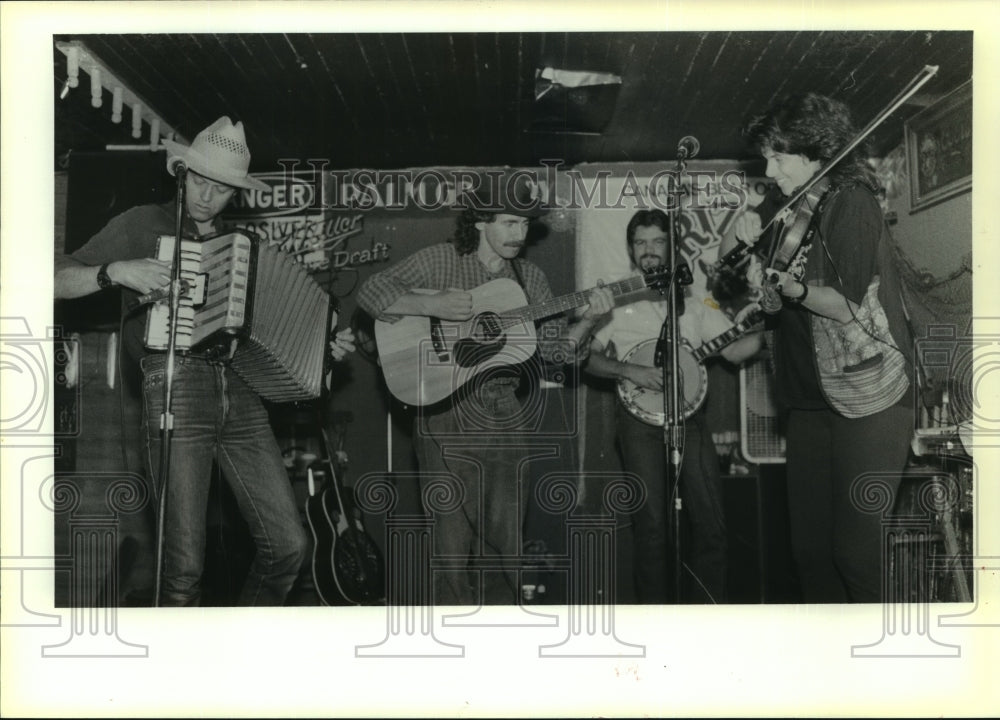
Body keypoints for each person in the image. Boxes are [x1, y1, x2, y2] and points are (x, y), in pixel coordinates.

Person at [54, 116, 356, 606]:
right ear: (181, 173)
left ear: (234, 194)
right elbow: (52, 274)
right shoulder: (141, 223)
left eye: (220, 189)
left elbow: (267, 334)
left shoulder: (246, 251)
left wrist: (323, 350)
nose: (206, 197)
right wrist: (116, 271)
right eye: (199, 180)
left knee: (289, 547)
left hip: (240, 394)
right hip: (175, 386)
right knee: (184, 569)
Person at [357, 171, 614, 605]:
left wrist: (589, 319)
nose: (520, 234)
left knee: (506, 540)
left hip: (502, 411)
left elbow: (558, 354)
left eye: (526, 224)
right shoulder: (440, 260)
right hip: (441, 408)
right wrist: (430, 304)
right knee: (450, 544)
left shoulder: (530, 278)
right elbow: (371, 291)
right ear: (480, 221)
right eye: (509, 223)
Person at [717, 92, 914, 603]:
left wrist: (791, 288)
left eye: (779, 157)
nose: (769, 168)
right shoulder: (787, 202)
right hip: (807, 397)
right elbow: (724, 260)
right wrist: (739, 229)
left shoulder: (852, 202)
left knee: (856, 555)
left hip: (869, 393)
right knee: (810, 556)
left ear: (816, 151)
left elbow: (846, 304)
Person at [585, 209, 761, 604]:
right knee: (651, 529)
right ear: (631, 250)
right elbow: (587, 358)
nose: (648, 250)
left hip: (690, 421)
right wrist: (630, 370)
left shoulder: (693, 303)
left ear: (671, 247)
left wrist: (764, 326)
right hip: (637, 423)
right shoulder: (617, 300)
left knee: (711, 523)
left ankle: (706, 617)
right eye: (640, 243)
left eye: (657, 241)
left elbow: (734, 350)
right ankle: (654, 624)